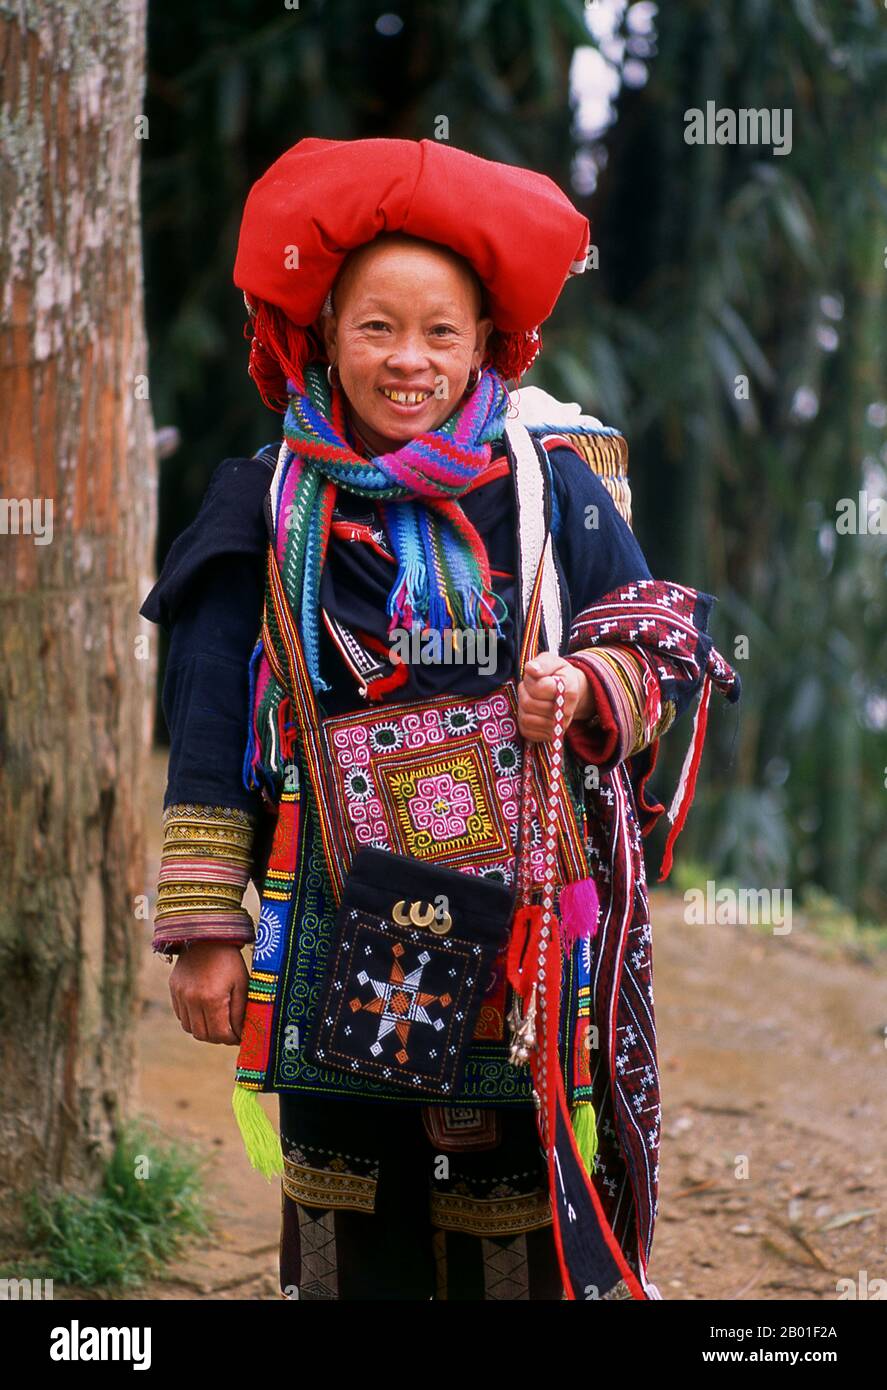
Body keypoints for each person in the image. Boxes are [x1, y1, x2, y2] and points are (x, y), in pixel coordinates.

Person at [140, 136, 740, 1302]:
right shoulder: (263, 501)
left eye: (439, 332)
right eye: (376, 327)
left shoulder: (548, 479)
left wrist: (580, 688)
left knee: (499, 1189)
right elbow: (210, 718)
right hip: (322, 898)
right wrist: (206, 926)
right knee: (335, 1186)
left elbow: (662, 638)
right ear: (322, 335)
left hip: (513, 914)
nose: (407, 361)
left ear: (485, 347)